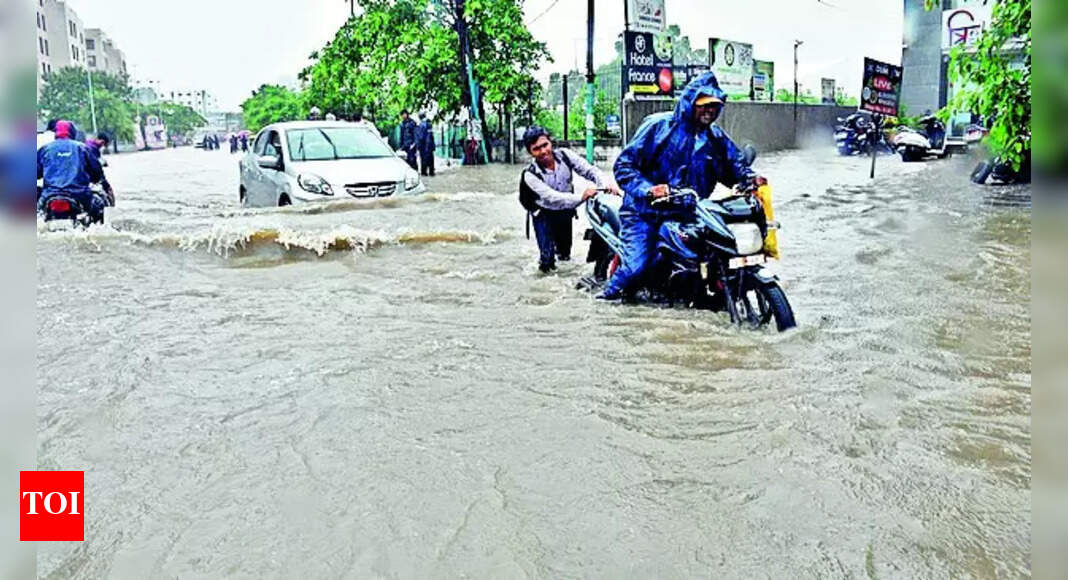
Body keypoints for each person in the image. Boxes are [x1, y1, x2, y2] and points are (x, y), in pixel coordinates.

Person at [598, 72, 755, 300]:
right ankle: (606, 297)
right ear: (690, 102)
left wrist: (750, 179)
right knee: (637, 266)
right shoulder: (659, 126)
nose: (709, 111)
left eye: (714, 106)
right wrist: (649, 189)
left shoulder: (715, 137)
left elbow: (734, 164)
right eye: (704, 105)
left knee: (716, 251)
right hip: (644, 212)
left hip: (688, 212)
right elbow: (624, 166)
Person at [519, 126, 619, 273]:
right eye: (536, 149)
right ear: (530, 152)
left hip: (565, 212)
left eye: (545, 145)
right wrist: (582, 197)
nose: (543, 151)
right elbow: (552, 197)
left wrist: (604, 185)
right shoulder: (530, 175)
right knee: (547, 260)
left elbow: (589, 170)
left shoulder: (565, 156)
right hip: (543, 213)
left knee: (565, 255)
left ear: (551, 142)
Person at [37, 120, 109, 219]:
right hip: (79, 195)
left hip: (49, 195)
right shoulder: (83, 148)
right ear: (72, 132)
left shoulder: (44, 149)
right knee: (99, 203)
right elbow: (97, 174)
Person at [85, 134, 115, 205]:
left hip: (82, 176)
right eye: (103, 143)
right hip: (92, 176)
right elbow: (96, 167)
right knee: (109, 190)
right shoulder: (93, 148)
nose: (102, 145)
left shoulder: (87, 145)